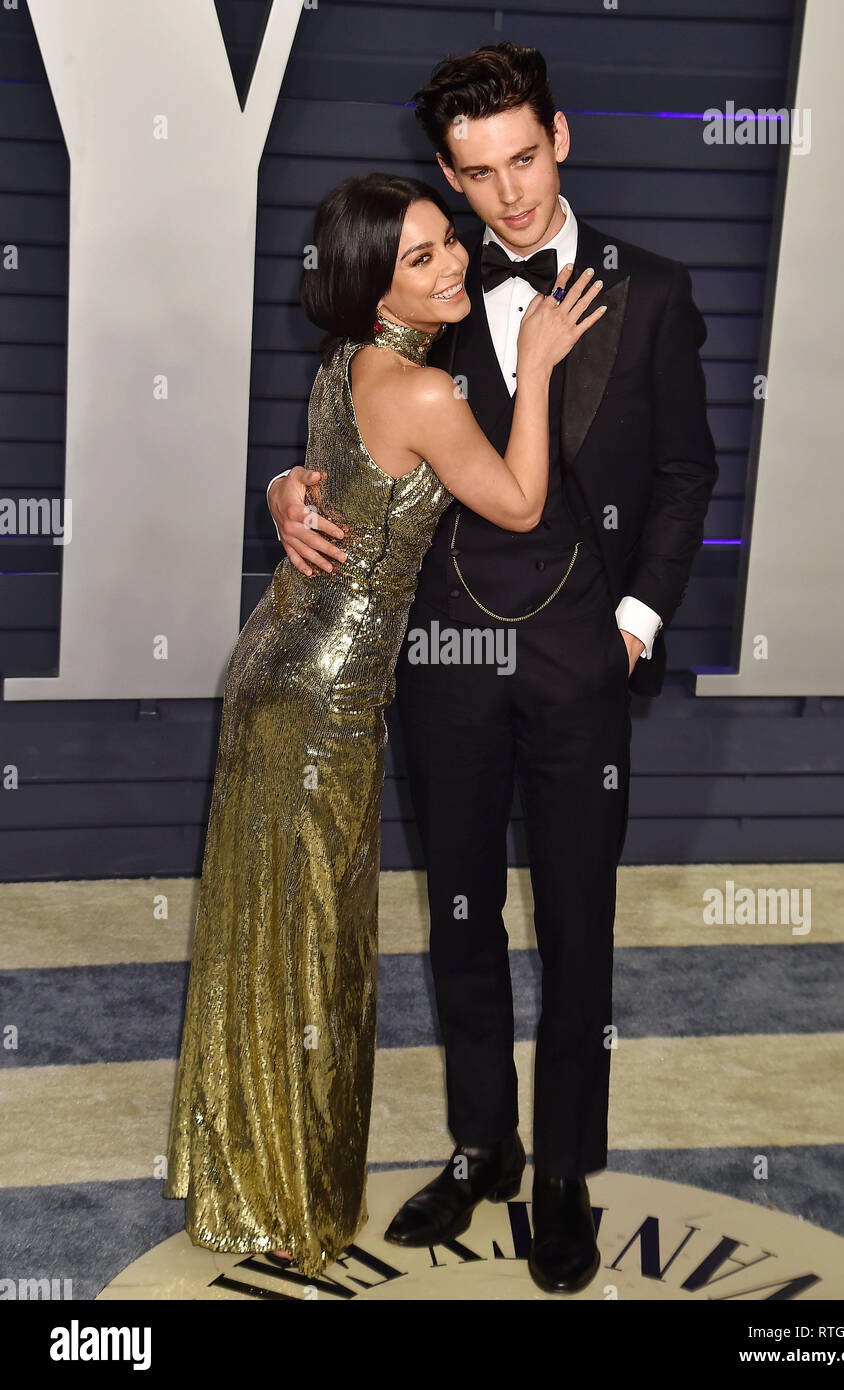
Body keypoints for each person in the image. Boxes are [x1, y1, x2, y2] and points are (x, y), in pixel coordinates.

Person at [268, 43, 718, 1295]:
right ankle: (486, 1144)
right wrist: (290, 484)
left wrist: (639, 609)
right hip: (446, 663)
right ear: (449, 178)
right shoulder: (427, 298)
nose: (508, 199)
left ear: (562, 139)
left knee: (579, 924)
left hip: (585, 655)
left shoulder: (657, 291)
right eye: (477, 175)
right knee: (461, 910)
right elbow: (352, 426)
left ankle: (567, 1167)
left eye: (524, 160)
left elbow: (687, 474)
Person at [162, 170, 605, 1277]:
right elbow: (520, 502)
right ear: (375, 292)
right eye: (420, 258)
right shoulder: (426, 394)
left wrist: (284, 488)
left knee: (273, 938)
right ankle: (285, 1199)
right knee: (313, 952)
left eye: (444, 239)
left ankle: (246, 1175)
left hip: (277, 669)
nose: (453, 260)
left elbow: (328, 480)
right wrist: (541, 367)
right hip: (322, 709)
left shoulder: (343, 366)